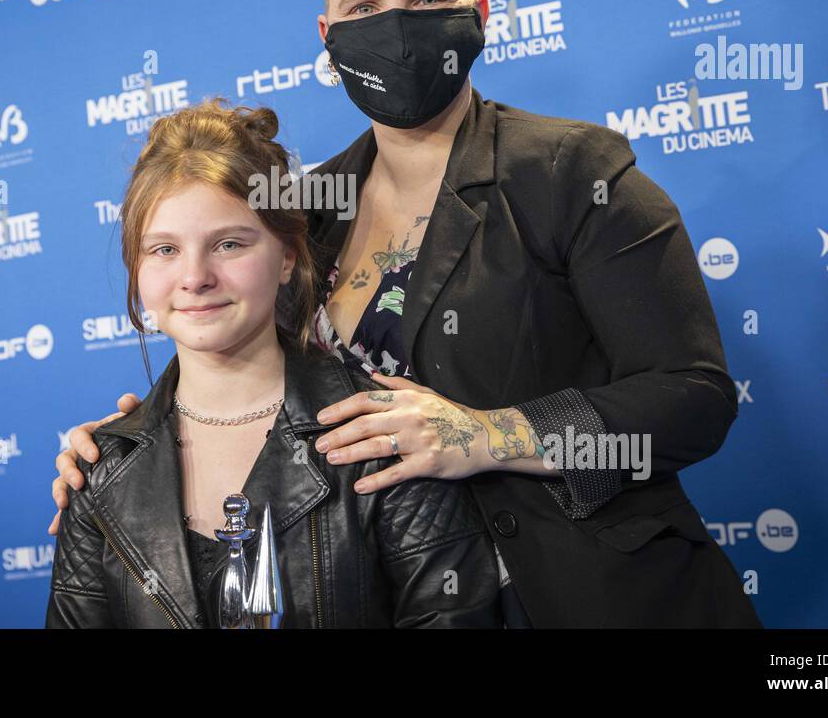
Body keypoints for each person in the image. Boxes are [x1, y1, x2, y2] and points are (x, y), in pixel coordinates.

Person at [52, 0, 761, 627]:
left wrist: (489, 435)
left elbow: (694, 403)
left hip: (592, 597)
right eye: (364, 6)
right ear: (328, 37)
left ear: (479, 14)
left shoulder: (571, 172)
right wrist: (141, 448)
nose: (396, 28)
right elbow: (259, 381)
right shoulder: (310, 211)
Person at [45, 98, 502, 628]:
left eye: (229, 244)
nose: (195, 277)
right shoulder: (99, 470)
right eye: (164, 250)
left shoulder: (382, 437)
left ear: (286, 256)